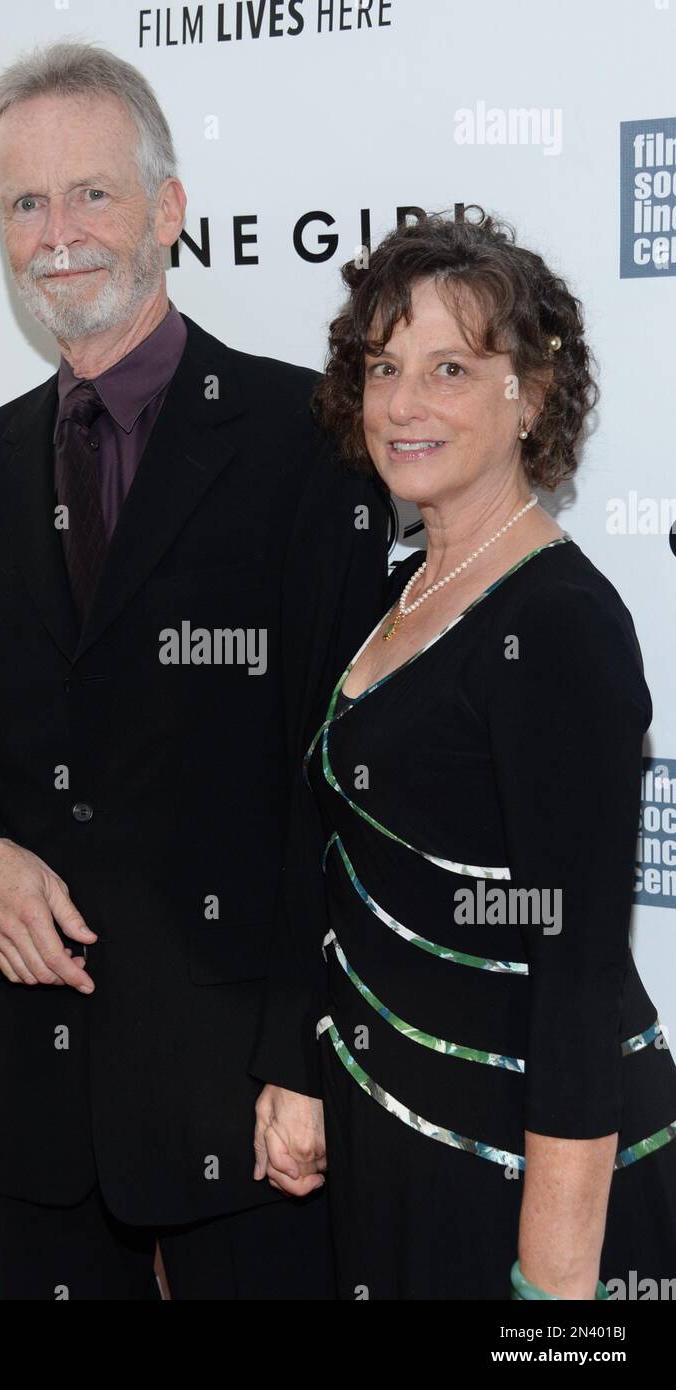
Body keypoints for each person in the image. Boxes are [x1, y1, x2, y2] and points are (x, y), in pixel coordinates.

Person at [0, 40, 386, 1299]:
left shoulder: (306, 444)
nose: (58, 233)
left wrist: (303, 1056)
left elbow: (340, 785)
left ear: (167, 209)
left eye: (91, 194)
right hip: (40, 1092)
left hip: (247, 1099)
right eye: (24, 203)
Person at [258, 208, 676, 1298]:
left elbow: (575, 973)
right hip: (397, 1143)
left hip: (523, 1174)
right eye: (383, 366)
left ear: (528, 396)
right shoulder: (408, 589)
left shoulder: (561, 626)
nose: (402, 403)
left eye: (448, 367)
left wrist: (549, 1287)